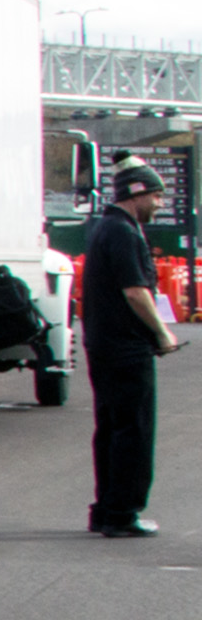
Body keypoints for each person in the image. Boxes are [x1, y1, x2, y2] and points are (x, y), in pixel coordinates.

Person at [81, 155, 183, 537]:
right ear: (136, 193)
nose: (159, 204)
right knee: (134, 430)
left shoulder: (104, 227)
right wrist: (162, 333)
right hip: (126, 349)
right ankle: (123, 513)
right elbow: (136, 292)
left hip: (102, 345)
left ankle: (105, 508)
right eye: (156, 196)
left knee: (109, 428)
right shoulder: (124, 233)